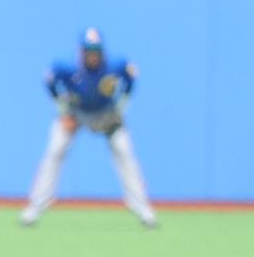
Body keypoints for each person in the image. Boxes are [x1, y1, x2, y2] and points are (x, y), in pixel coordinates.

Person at [19, 27, 157, 228]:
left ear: (102, 51)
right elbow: (49, 82)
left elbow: (131, 80)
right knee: (55, 150)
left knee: (124, 151)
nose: (92, 55)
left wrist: (120, 110)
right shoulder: (66, 66)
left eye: (96, 51)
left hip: (106, 114)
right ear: (81, 51)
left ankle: (144, 209)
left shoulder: (116, 65)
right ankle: (34, 208)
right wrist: (64, 111)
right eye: (88, 51)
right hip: (76, 114)